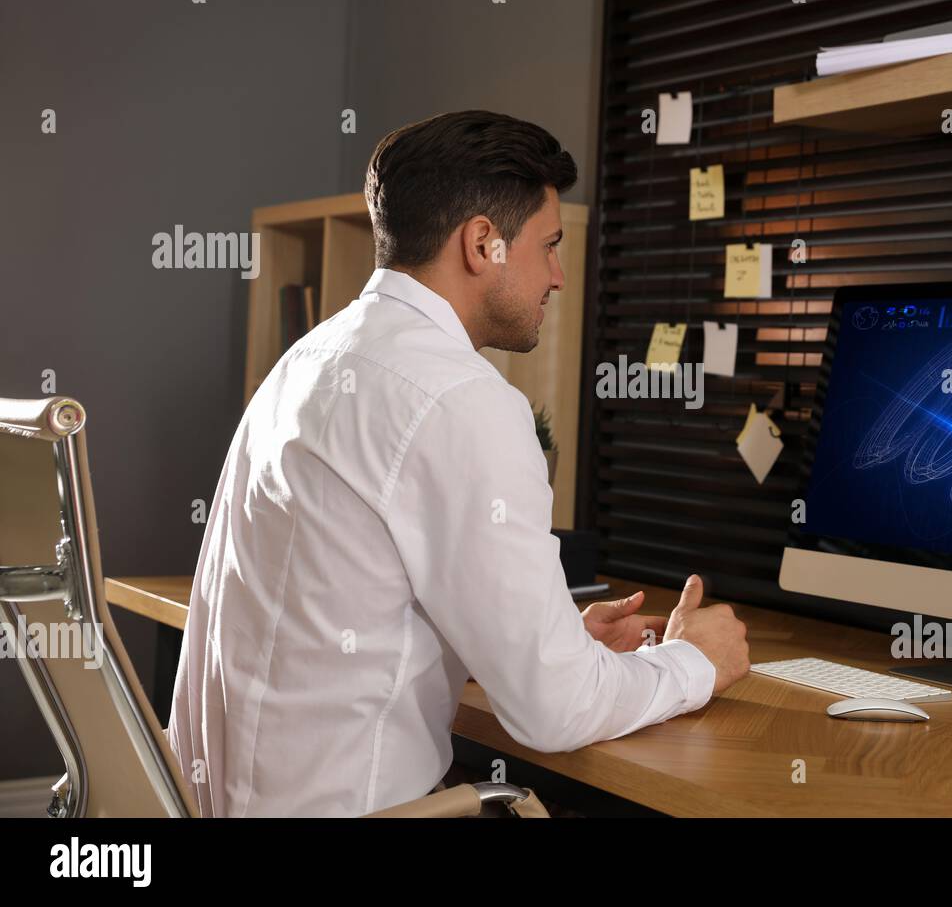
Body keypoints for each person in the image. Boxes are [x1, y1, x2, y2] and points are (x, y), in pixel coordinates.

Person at [167, 110, 750, 817]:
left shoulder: (309, 359)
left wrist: (547, 638)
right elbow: (556, 714)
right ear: (483, 244)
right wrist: (696, 661)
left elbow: (351, 600)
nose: (560, 277)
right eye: (550, 246)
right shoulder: (463, 400)